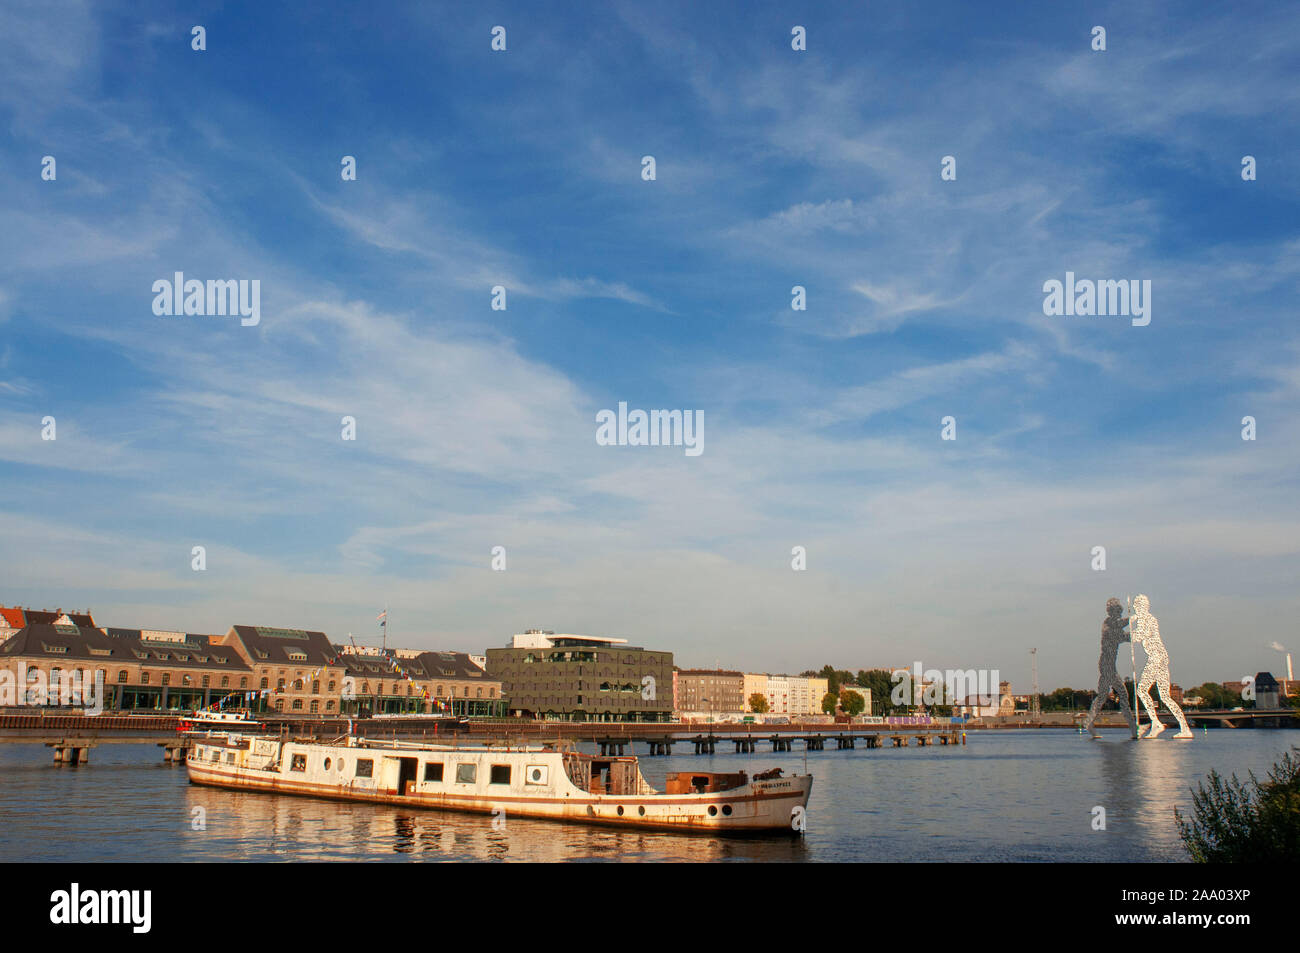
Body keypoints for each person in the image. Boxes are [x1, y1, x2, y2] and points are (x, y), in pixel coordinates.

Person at [1131, 594, 1193, 739]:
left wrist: (1125, 635)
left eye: (1136, 605)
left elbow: (1141, 635)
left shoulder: (1147, 619)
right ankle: (1185, 728)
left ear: (1142, 607)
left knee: (1141, 690)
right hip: (1162, 658)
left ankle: (1156, 722)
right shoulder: (1147, 618)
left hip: (1156, 658)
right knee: (1165, 696)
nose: (1134, 608)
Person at [1083, 598, 1139, 739]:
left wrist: (1136, 630)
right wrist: (1133, 618)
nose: (1119, 614)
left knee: (1102, 696)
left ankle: (1089, 722)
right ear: (1112, 612)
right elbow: (1119, 633)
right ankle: (1134, 729)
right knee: (1123, 694)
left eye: (1120, 612)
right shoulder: (1108, 625)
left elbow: (1126, 636)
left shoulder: (1114, 626)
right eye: (1117, 611)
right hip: (1107, 665)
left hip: (1108, 665)